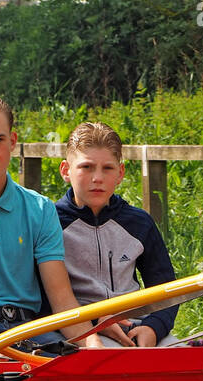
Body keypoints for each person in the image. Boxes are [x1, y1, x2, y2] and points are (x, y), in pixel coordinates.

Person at [0, 92, 111, 357]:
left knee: (79, 378)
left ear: (12, 141)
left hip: (30, 330)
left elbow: (61, 298)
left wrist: (93, 344)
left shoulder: (40, 209)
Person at [55, 122, 179, 347]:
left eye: (108, 168)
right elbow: (42, 295)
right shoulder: (51, 223)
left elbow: (166, 288)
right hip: (80, 330)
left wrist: (152, 328)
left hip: (138, 327)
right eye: (87, 167)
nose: (97, 178)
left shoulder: (140, 223)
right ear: (66, 171)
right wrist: (93, 320)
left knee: (191, 365)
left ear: (120, 173)